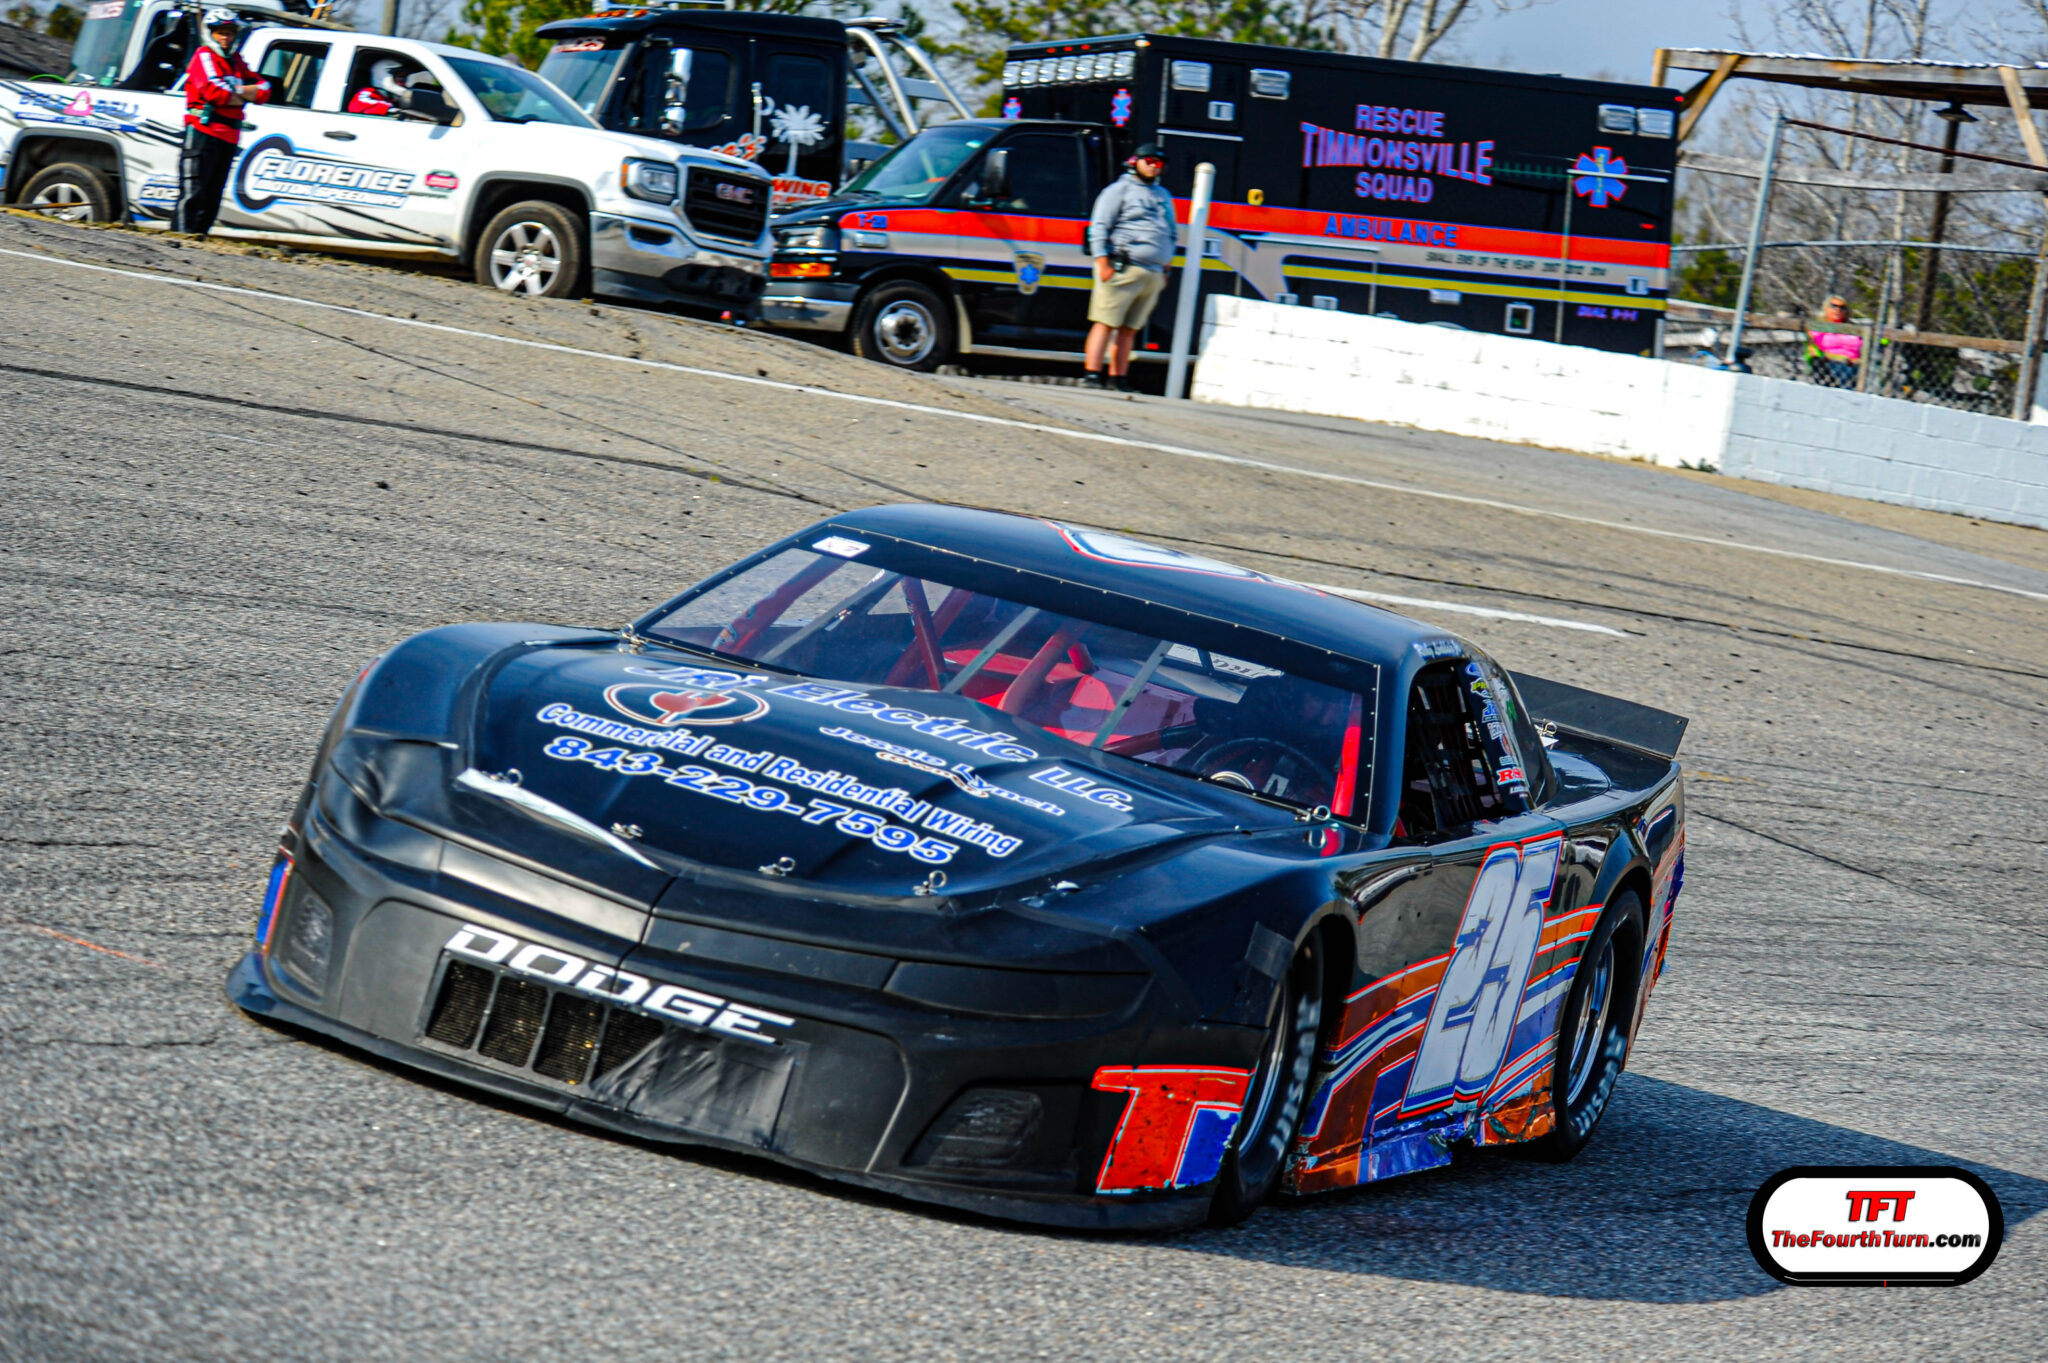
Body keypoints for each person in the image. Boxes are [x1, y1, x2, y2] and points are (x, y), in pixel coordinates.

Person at [1083, 143, 1175, 391]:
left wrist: (1166, 265)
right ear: (1135, 162)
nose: (1155, 167)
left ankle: (1118, 378)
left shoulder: (1163, 196)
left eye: (1159, 163)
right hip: (1122, 267)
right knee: (1105, 322)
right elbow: (1099, 226)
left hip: (1152, 272)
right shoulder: (1119, 190)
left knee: (1129, 329)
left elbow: (1172, 232)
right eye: (1150, 161)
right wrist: (1102, 260)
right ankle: (1092, 374)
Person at [176, 9, 269, 237]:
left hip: (229, 136)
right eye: (220, 33)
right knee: (193, 193)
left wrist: (237, 93)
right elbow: (215, 92)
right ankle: (180, 239)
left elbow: (265, 90)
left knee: (213, 195)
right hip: (203, 133)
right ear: (211, 33)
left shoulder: (237, 61)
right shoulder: (204, 56)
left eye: (229, 33)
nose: (225, 38)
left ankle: (199, 240)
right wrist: (246, 94)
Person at [1808, 295, 1864, 388]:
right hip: (1830, 364)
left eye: (1842, 307)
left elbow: (1862, 348)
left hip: (1853, 365)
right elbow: (1812, 350)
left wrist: (1856, 360)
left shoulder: (1854, 328)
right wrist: (1838, 358)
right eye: (1833, 306)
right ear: (1826, 308)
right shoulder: (1818, 328)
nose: (1838, 310)